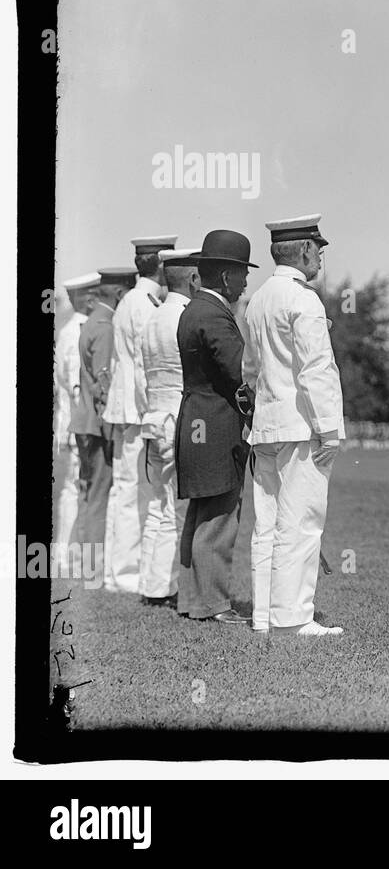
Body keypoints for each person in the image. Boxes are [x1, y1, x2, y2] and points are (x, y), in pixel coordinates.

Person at [244, 214, 345, 638]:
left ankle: (264, 615)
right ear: (304, 250)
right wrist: (331, 429)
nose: (320, 257)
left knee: (266, 524)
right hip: (301, 426)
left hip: (265, 425)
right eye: (317, 249)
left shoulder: (259, 298)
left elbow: (249, 369)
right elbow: (316, 370)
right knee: (301, 522)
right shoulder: (304, 300)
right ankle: (294, 617)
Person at [175, 231, 256, 624]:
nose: (245, 283)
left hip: (196, 419)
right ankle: (215, 605)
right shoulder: (215, 315)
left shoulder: (195, 309)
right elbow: (241, 370)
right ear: (226, 277)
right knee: (220, 515)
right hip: (217, 423)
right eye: (242, 274)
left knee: (201, 511)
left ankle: (193, 599)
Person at [101, 235, 177, 592]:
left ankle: (117, 572)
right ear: (161, 265)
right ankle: (126, 572)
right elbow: (148, 365)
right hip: (137, 407)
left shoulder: (131, 299)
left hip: (125, 405)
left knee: (124, 490)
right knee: (134, 493)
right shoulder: (146, 303)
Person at [138, 247, 200, 607]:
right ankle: (172, 587)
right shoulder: (186, 319)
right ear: (192, 279)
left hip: (153, 418)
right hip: (179, 418)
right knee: (177, 509)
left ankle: (153, 585)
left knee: (158, 508)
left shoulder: (153, 318)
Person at [70, 267, 136, 578]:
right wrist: (111, 428)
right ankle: (91, 568)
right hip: (96, 424)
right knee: (97, 495)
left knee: (87, 493)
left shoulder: (91, 321)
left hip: (82, 421)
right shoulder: (105, 326)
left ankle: (83, 561)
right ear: (120, 294)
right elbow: (103, 383)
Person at [53, 272, 99, 569]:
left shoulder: (77, 328)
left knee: (79, 488)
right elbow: (74, 385)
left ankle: (70, 552)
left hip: (75, 423)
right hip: (75, 424)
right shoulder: (73, 332)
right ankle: (64, 554)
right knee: (74, 488)